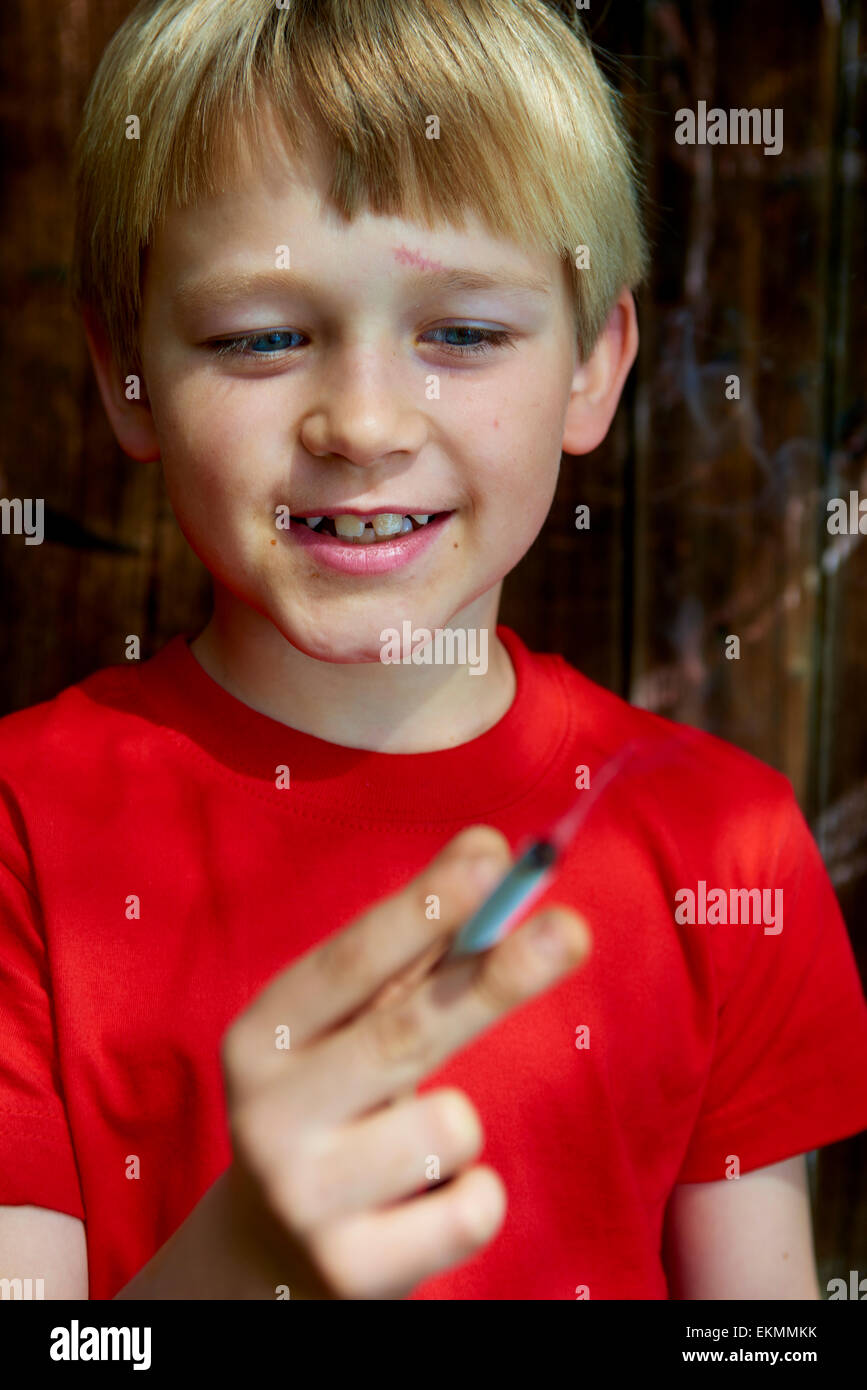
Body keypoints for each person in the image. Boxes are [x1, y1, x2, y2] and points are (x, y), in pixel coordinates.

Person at [1, 0, 865, 1301]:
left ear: (594, 363)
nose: (361, 422)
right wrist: (236, 1270)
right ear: (127, 374)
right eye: (259, 338)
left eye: (461, 333)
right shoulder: (20, 827)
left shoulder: (728, 847)